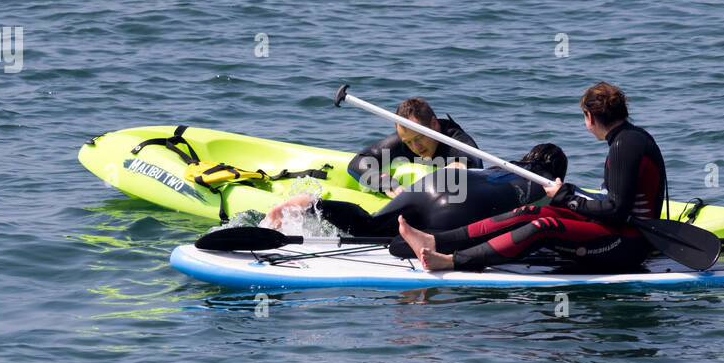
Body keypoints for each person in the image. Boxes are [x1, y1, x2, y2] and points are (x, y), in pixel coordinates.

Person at [398, 82, 667, 272]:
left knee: (545, 226)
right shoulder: (631, 139)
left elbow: (616, 210)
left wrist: (565, 198)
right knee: (527, 212)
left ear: (590, 117)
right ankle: (435, 241)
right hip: (623, 232)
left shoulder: (624, 146)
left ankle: (450, 261)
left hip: (629, 243)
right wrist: (568, 194)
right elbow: (616, 203)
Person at [265, 144, 567, 236]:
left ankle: (308, 205)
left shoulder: (506, 165)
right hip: (456, 210)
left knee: (370, 223)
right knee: (379, 236)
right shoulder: (548, 186)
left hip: (440, 183)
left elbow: (463, 168)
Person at [347, 98, 481, 193]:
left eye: (420, 137)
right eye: (408, 142)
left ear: (434, 123)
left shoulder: (454, 139)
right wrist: (386, 183)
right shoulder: (405, 140)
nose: (415, 147)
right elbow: (357, 162)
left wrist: (459, 165)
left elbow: (472, 157)